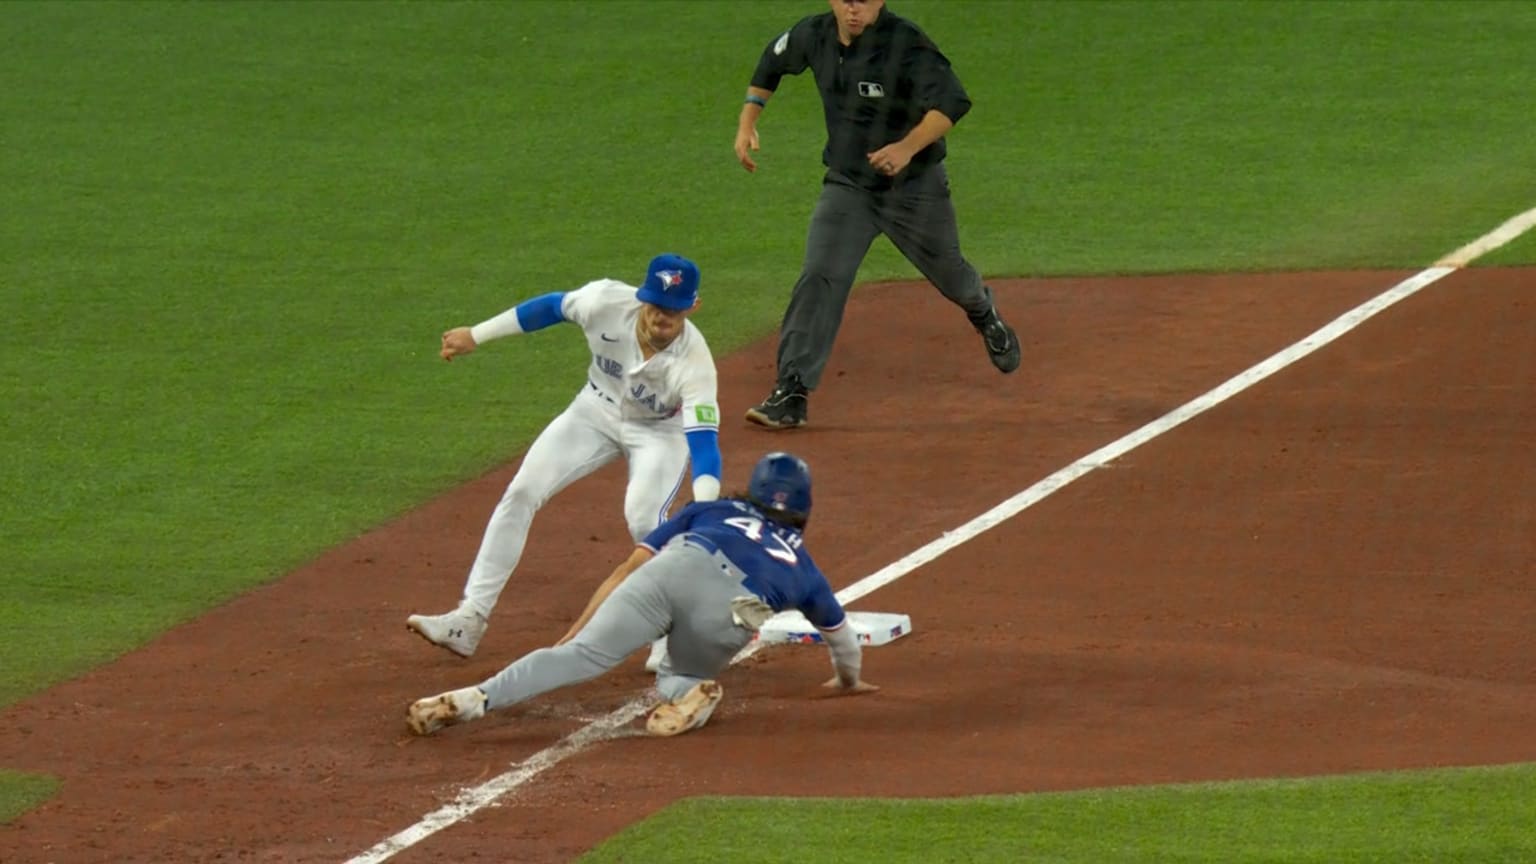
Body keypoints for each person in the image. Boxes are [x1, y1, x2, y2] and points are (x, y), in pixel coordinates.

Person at [406, 451, 879, 738]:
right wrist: (848, 681)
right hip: (728, 612)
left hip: (673, 570)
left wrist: (576, 636)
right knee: (681, 670)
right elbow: (842, 640)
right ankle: (694, 691)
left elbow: (635, 562)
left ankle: (474, 699)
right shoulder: (806, 569)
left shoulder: (710, 508)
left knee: (582, 656)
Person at [406, 253, 722, 674]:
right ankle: (469, 620)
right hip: (593, 411)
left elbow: (703, 445)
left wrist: (706, 505)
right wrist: (476, 335)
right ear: (642, 296)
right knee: (521, 492)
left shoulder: (695, 364)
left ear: (692, 307)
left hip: (659, 433)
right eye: (655, 305)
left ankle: (671, 631)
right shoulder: (604, 302)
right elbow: (550, 307)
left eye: (672, 309)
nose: (661, 317)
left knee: (646, 521)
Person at [735, 0, 1021, 430]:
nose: (854, 9)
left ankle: (983, 312)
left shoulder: (905, 43)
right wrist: (747, 122)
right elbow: (771, 63)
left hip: (914, 189)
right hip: (849, 186)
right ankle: (791, 391)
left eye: (864, 1)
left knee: (951, 273)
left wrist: (906, 148)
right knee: (820, 275)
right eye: (846, 0)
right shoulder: (813, 34)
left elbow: (952, 102)